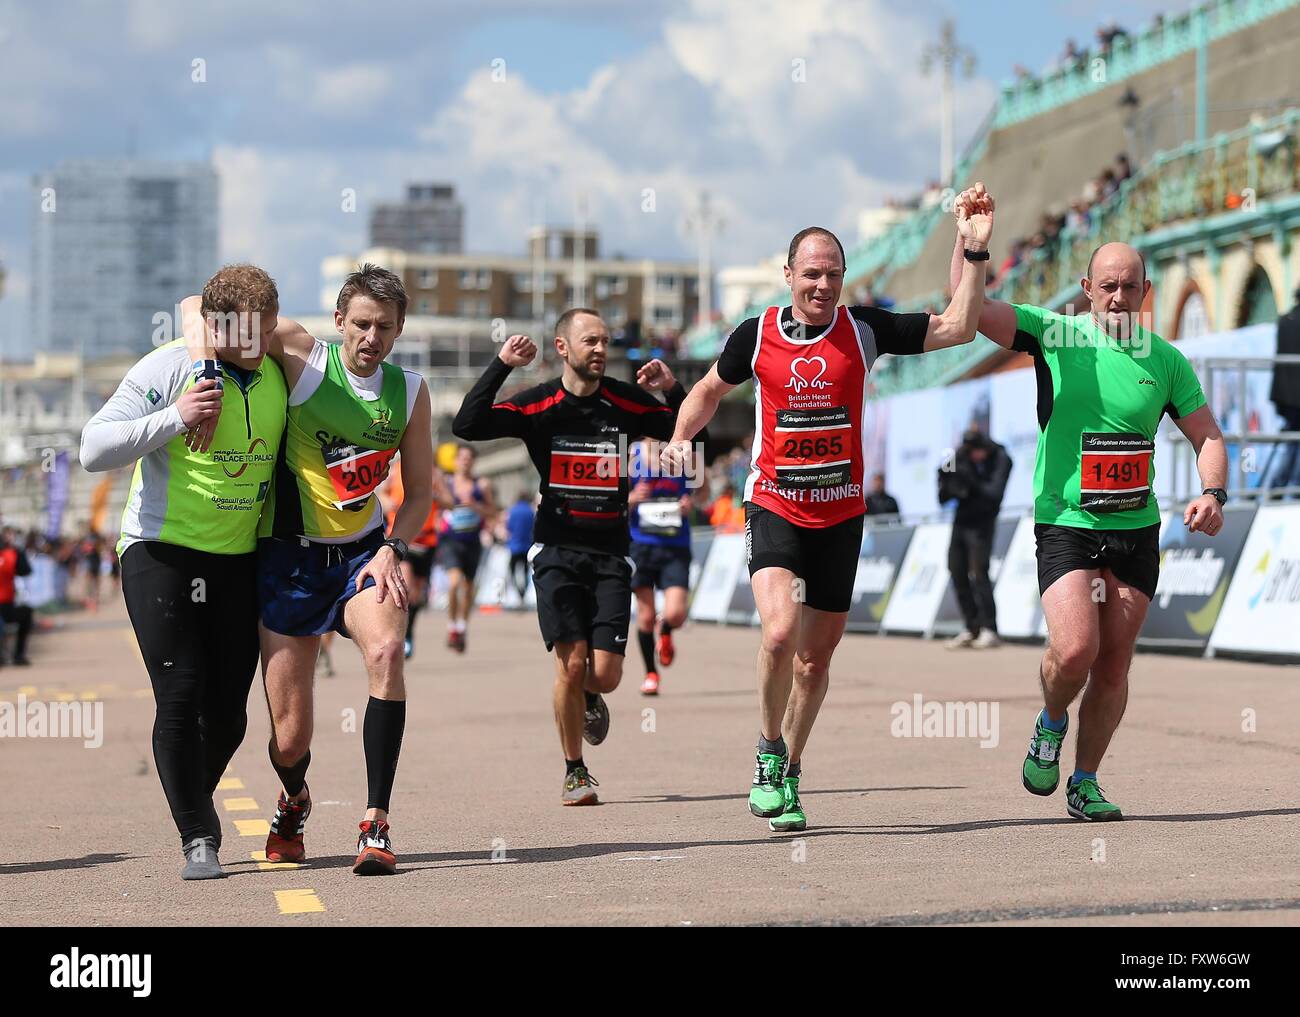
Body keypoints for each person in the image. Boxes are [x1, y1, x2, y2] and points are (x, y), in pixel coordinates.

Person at [660, 197, 994, 834]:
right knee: (781, 633)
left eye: (833, 274)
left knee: (814, 662)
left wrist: (972, 247)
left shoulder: (864, 329)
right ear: (789, 275)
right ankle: (765, 752)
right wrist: (681, 439)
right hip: (775, 504)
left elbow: (956, 326)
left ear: (845, 279)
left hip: (840, 516)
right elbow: (706, 392)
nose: (822, 285)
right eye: (811, 273)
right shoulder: (755, 334)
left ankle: (790, 766)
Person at [953, 184, 1228, 821]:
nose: (1116, 296)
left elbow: (1207, 434)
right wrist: (972, 247)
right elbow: (969, 315)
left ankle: (1086, 778)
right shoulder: (1054, 334)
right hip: (1067, 522)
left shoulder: (1165, 361)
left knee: (1113, 664)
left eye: (1129, 286)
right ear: (1085, 285)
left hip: (1135, 525)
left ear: (1144, 292)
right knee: (1075, 650)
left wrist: (1213, 493)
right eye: (1106, 285)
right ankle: (1051, 721)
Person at [182, 263, 433, 874]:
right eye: (362, 325)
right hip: (288, 559)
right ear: (340, 321)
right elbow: (197, 306)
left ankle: (376, 823)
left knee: (387, 653)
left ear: (399, 332)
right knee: (290, 738)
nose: (371, 339)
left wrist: (391, 546)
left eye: (386, 328)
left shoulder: (411, 392)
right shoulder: (301, 353)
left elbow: (422, 492)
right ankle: (294, 799)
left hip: (361, 555)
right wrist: (205, 372)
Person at [81, 263, 288, 879]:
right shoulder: (169, 366)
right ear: (217, 328)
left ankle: (187, 794)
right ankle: (198, 833)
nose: (259, 344)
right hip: (161, 552)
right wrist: (177, 414)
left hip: (237, 560)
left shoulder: (277, 366)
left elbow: (199, 302)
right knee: (180, 693)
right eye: (246, 333)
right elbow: (94, 448)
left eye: (267, 328)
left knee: (229, 714)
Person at [453, 309, 687, 805]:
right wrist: (501, 365)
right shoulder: (540, 405)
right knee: (571, 662)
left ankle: (588, 695)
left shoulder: (625, 401)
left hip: (611, 554)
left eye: (604, 341)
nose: (600, 349)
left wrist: (672, 389)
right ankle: (574, 770)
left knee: (604, 675)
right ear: (563, 347)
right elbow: (468, 424)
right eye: (590, 341)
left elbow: (693, 435)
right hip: (556, 549)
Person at [628, 437, 708, 695]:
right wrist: (632, 498)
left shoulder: (688, 454)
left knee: (675, 614)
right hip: (640, 544)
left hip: (675, 544)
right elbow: (614, 497)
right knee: (646, 615)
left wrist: (691, 503)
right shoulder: (633, 454)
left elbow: (705, 491)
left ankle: (666, 629)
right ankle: (651, 674)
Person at [940, 427, 1011, 649]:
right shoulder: (961, 455)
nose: (972, 456)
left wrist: (971, 480)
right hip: (961, 520)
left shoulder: (1001, 458)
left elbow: (994, 494)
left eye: (976, 452)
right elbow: (944, 489)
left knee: (979, 572)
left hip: (982, 522)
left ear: (984, 447)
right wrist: (949, 479)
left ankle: (990, 629)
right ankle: (972, 627)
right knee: (956, 570)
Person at [437, 444, 496, 652]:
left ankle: (462, 627)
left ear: (473, 462)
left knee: (469, 587)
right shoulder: (446, 483)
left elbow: (492, 512)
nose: (465, 461)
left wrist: (476, 507)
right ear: (454, 461)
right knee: (454, 583)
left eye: (469, 458)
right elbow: (435, 503)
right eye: (461, 457)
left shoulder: (482, 485)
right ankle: (452, 626)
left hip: (472, 541)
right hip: (450, 540)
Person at [1269, 288, 1300, 494]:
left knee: (1291, 441)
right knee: (1293, 443)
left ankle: (1278, 488)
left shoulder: (1285, 320)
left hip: (1284, 394)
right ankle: (1285, 487)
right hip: (1296, 394)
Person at [0, 527, 34, 666]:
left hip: (7, 606)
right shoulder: (11, 554)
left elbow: (25, 571)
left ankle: (17, 655)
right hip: (6, 605)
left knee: (25, 613)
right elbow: (25, 570)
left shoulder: (11, 554)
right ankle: (18, 655)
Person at [504, 491, 537, 603]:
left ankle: (518, 591)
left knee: (512, 570)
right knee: (525, 571)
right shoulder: (530, 511)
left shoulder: (513, 511)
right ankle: (523, 592)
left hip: (514, 545)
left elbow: (509, 527)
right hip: (527, 545)